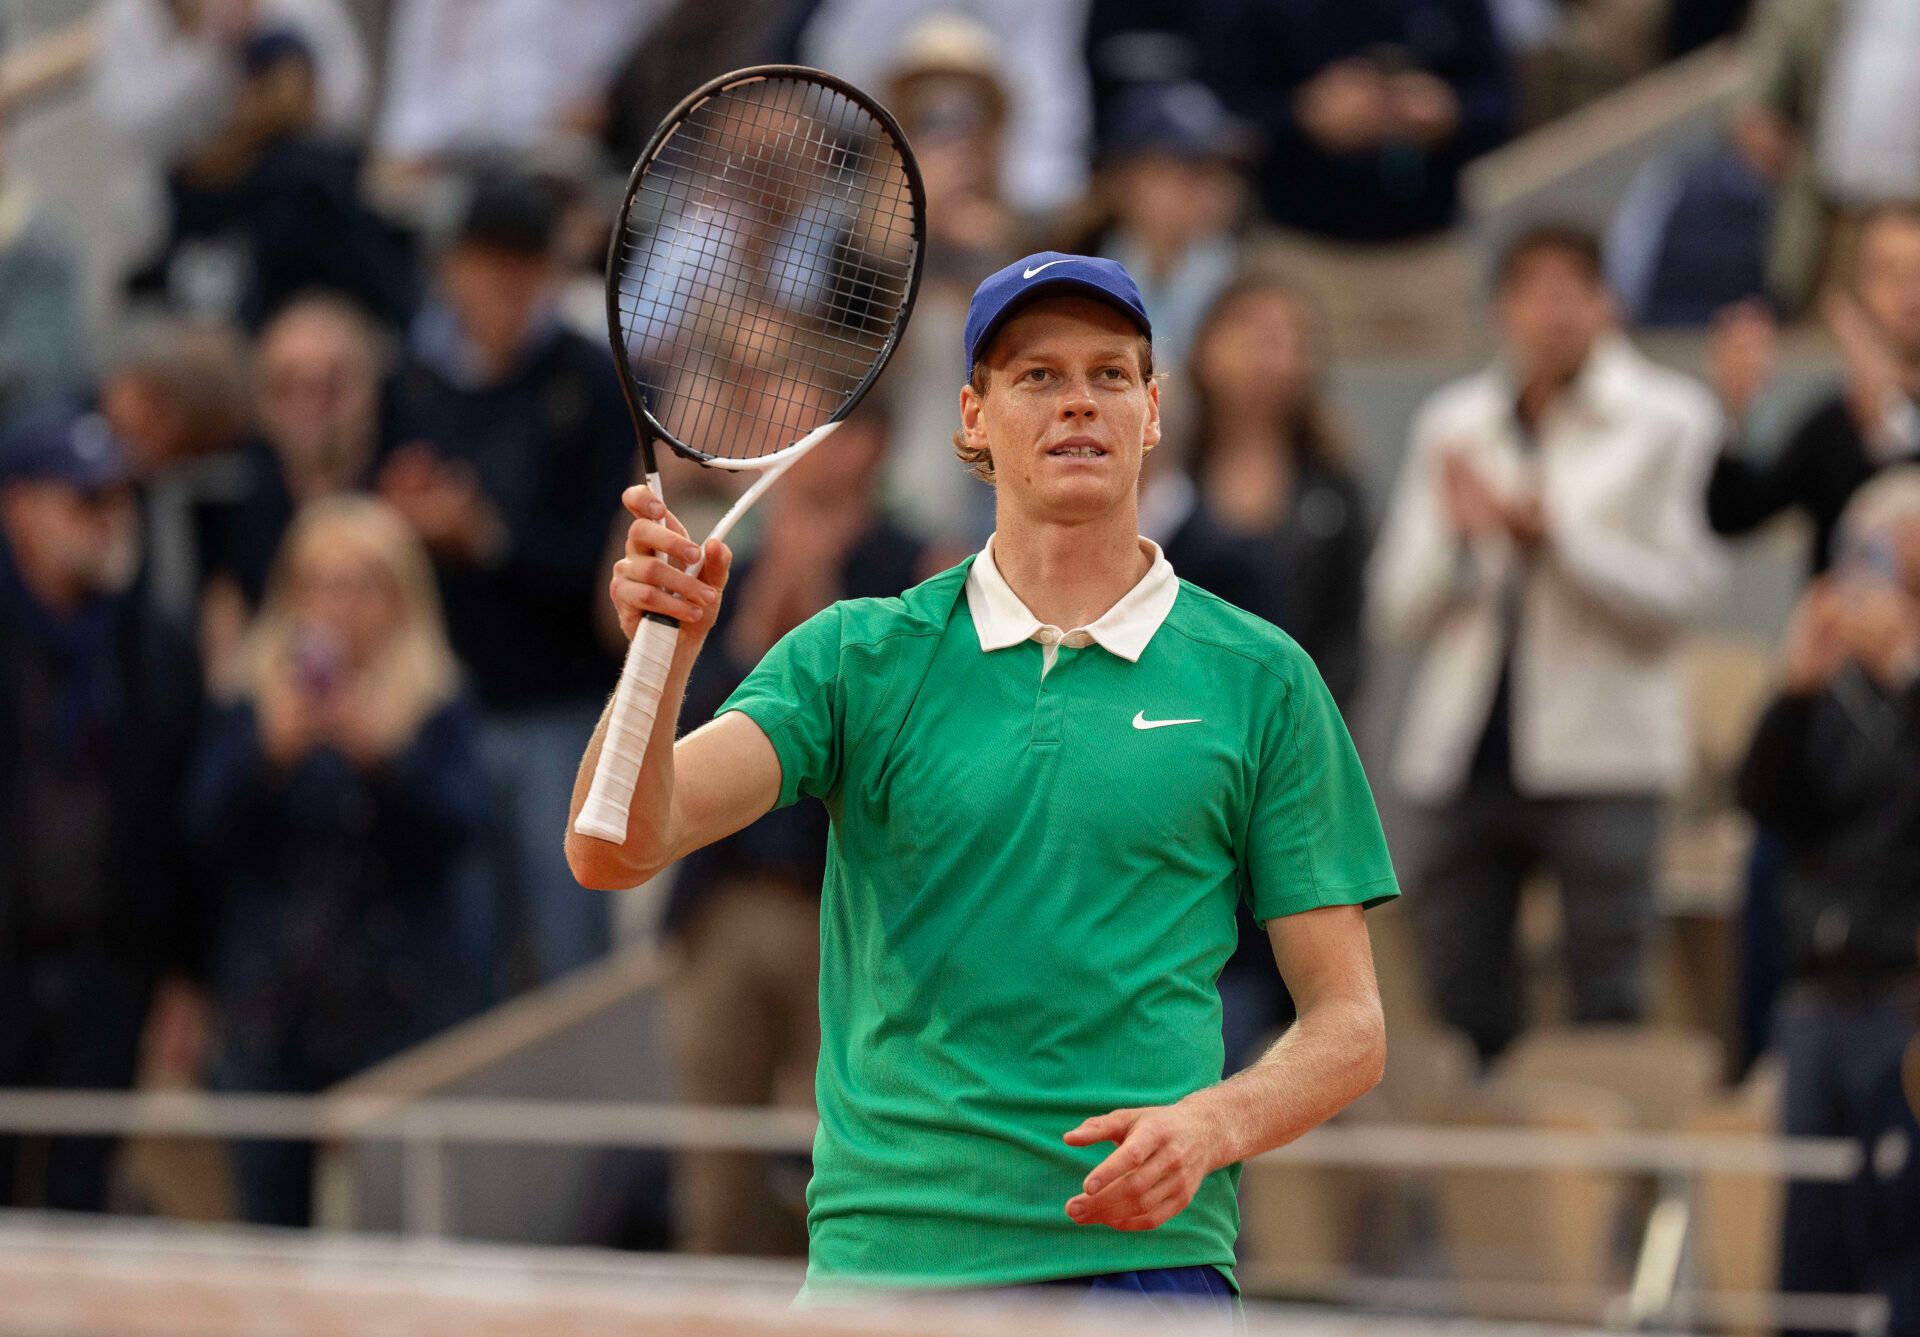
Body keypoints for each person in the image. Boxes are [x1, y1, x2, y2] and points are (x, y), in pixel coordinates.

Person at [567, 253, 1395, 1314]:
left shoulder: (1263, 676)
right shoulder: (859, 655)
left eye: (1110, 374)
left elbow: (1351, 1023)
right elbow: (613, 844)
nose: (1079, 401)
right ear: (973, 415)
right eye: (1037, 376)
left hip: (1143, 1266)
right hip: (887, 1266)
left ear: (1154, 411)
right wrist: (663, 656)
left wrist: (1215, 1124)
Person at [1368, 225, 1726, 1063]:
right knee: (1457, 995)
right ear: (1502, 308)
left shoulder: (1669, 418)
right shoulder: (1455, 421)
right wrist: (1463, 544)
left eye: (1575, 291)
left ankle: (1609, 1189)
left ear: (1608, 305)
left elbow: (1684, 594)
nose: (1554, 312)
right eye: (1535, 291)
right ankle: (1489, 1193)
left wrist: (1556, 540)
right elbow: (1395, 606)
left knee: (1609, 994)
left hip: (1606, 755)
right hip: (1465, 754)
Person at [186, 495, 493, 1226]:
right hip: (272, 1008)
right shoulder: (247, 698)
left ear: (399, 596)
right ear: (292, 594)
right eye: (323, 583)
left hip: (401, 1006)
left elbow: (464, 829)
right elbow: (200, 832)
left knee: (399, 1226)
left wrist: (380, 756)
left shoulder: (436, 702)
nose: (341, 605)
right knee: (268, 1229)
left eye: (362, 584)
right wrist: (268, 757)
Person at [664, 397, 923, 1256]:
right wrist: (751, 620)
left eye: (832, 426)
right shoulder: (731, 555)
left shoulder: (917, 566)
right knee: (716, 1171)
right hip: (727, 898)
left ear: (875, 445)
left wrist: (817, 606)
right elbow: (687, 738)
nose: (804, 446)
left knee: (854, 1156)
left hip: (855, 911)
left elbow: (900, 741)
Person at [380, 170, 633, 986]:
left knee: (571, 952)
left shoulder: (591, 381)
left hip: (560, 706)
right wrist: (405, 524)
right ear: (453, 267)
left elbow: (602, 558)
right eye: (487, 262)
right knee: (458, 949)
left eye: (522, 265)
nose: (502, 284)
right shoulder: (409, 383)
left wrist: (486, 536)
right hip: (440, 701)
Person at [0, 408, 206, 1211]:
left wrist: (183, 975)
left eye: (118, 499)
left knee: (81, 1195)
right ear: (19, 505)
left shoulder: (153, 647)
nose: (108, 521)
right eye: (83, 501)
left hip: (107, 965)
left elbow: (178, 823)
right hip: (10, 958)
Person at [1734, 467, 1920, 1336]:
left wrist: (1904, 673)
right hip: (1816, 999)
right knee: (1808, 1253)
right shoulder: (1831, 689)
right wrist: (1795, 689)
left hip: (1905, 1001)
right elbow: (1766, 805)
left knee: (1902, 1239)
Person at [1708, 205, 1920, 577]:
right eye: (1890, 273)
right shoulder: (1832, 422)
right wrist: (1735, 414)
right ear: (1858, 290)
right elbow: (1735, 516)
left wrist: (1889, 416)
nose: (1910, 294)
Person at [1734, 0, 1920, 313]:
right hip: (1839, 212)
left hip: (1912, 203)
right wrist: (1762, 128)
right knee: (1836, 337)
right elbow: (1750, 99)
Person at [1067, 82, 1257, 370]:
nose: (1206, 188)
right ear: (1124, 180)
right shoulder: (1070, 263)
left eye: (1217, 169)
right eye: (1185, 169)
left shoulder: (1245, 276)